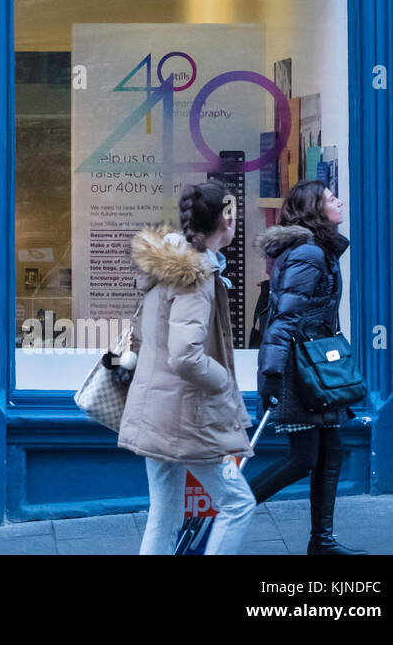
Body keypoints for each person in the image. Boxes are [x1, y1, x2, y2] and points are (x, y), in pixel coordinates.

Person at [118, 181, 256, 555]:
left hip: (157, 409)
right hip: (188, 415)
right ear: (225, 220)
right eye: (234, 214)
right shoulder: (195, 276)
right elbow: (185, 354)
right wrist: (223, 380)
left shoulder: (167, 265)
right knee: (238, 503)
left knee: (163, 515)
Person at [248, 180, 366, 555]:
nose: (340, 202)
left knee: (332, 450)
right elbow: (283, 317)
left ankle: (323, 542)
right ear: (317, 208)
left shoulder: (321, 251)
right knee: (303, 458)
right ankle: (225, 513)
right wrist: (271, 373)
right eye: (332, 198)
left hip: (319, 366)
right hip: (300, 369)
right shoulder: (309, 253)